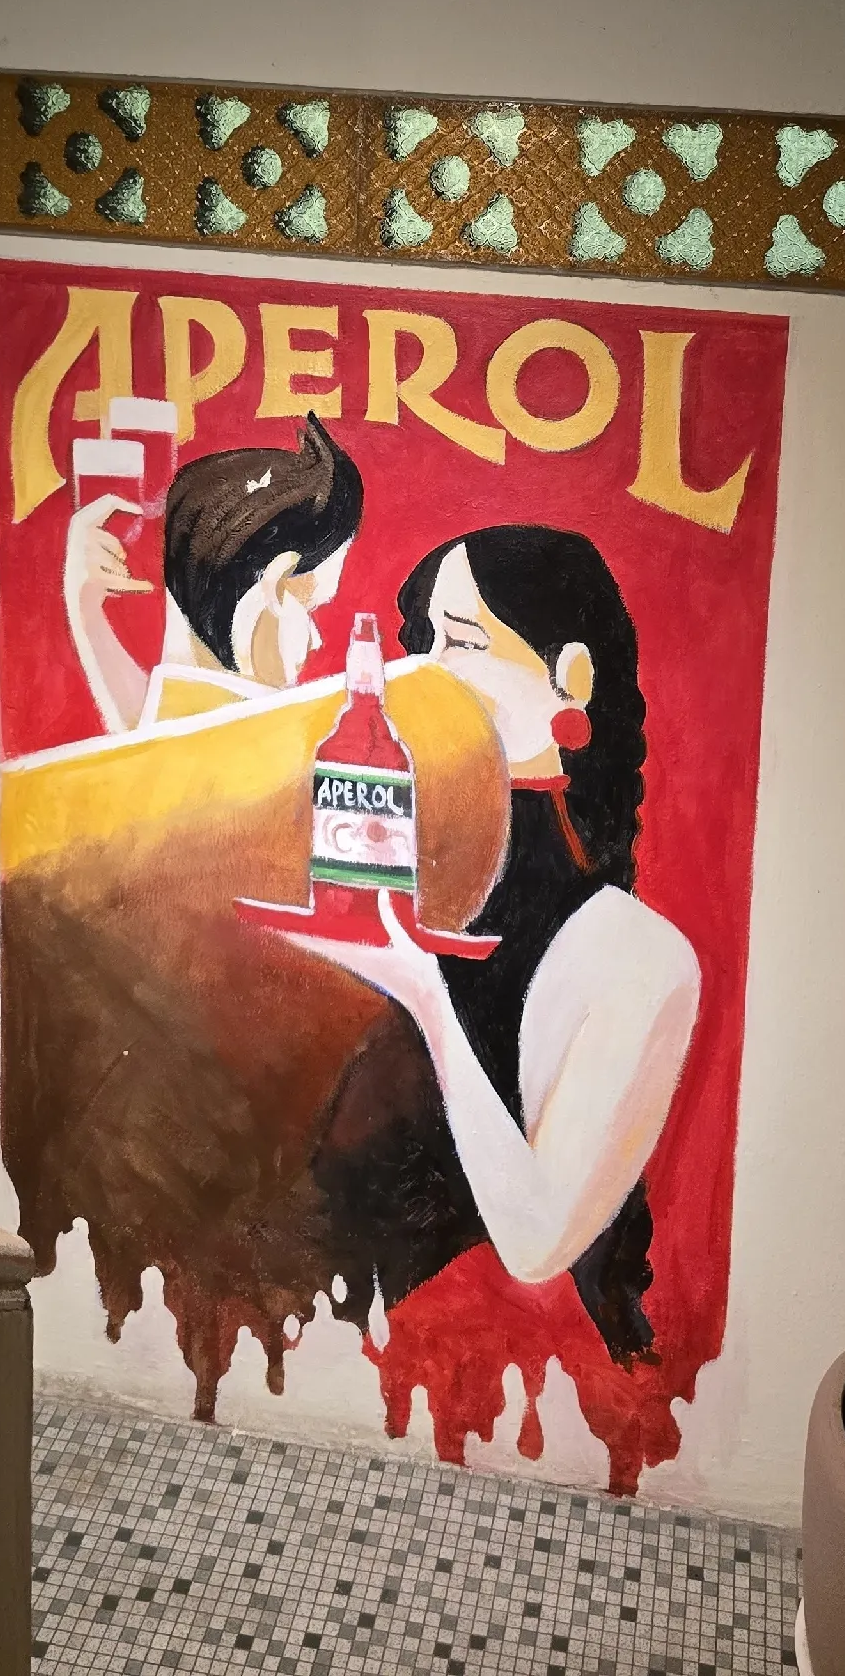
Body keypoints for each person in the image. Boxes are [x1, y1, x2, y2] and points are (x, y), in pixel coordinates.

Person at [301, 525, 701, 1363]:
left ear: (570, 679)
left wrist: (421, 989)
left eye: (466, 642)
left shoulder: (636, 956)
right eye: (425, 643)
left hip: (495, 1379)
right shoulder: (387, 854)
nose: (428, 674)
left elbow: (535, 1242)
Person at [63, 414, 363, 732]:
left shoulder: (174, 725)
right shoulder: (266, 739)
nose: (316, 640)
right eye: (310, 607)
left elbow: (149, 732)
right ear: (274, 586)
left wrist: (86, 612)